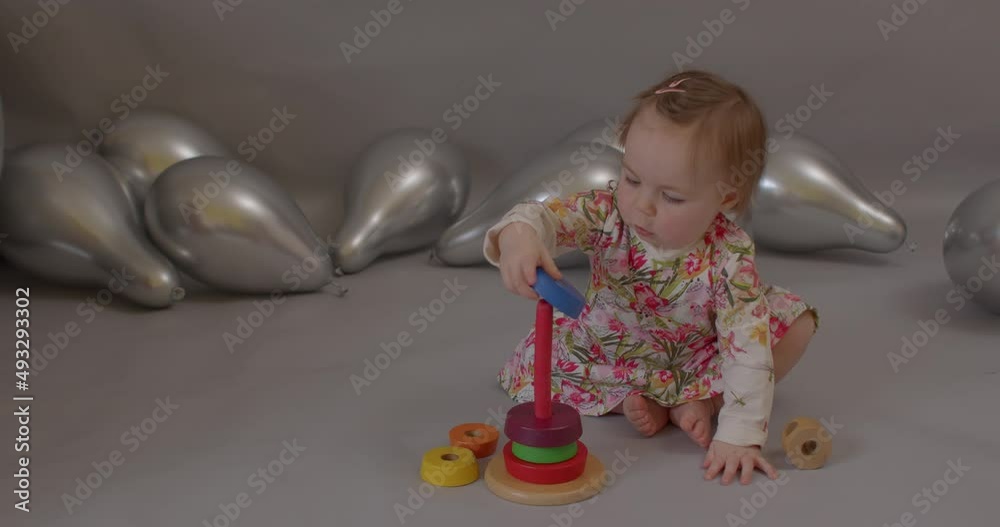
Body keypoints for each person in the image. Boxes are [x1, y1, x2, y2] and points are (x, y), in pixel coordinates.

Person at [482, 69, 819, 485]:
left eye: (672, 196)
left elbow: (745, 346)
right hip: (607, 353)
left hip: (693, 356)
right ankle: (629, 401)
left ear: (725, 197)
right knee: (551, 364)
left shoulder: (730, 254)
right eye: (632, 178)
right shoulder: (607, 212)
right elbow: (545, 217)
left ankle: (706, 401)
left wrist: (739, 434)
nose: (642, 205)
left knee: (793, 324)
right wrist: (519, 237)